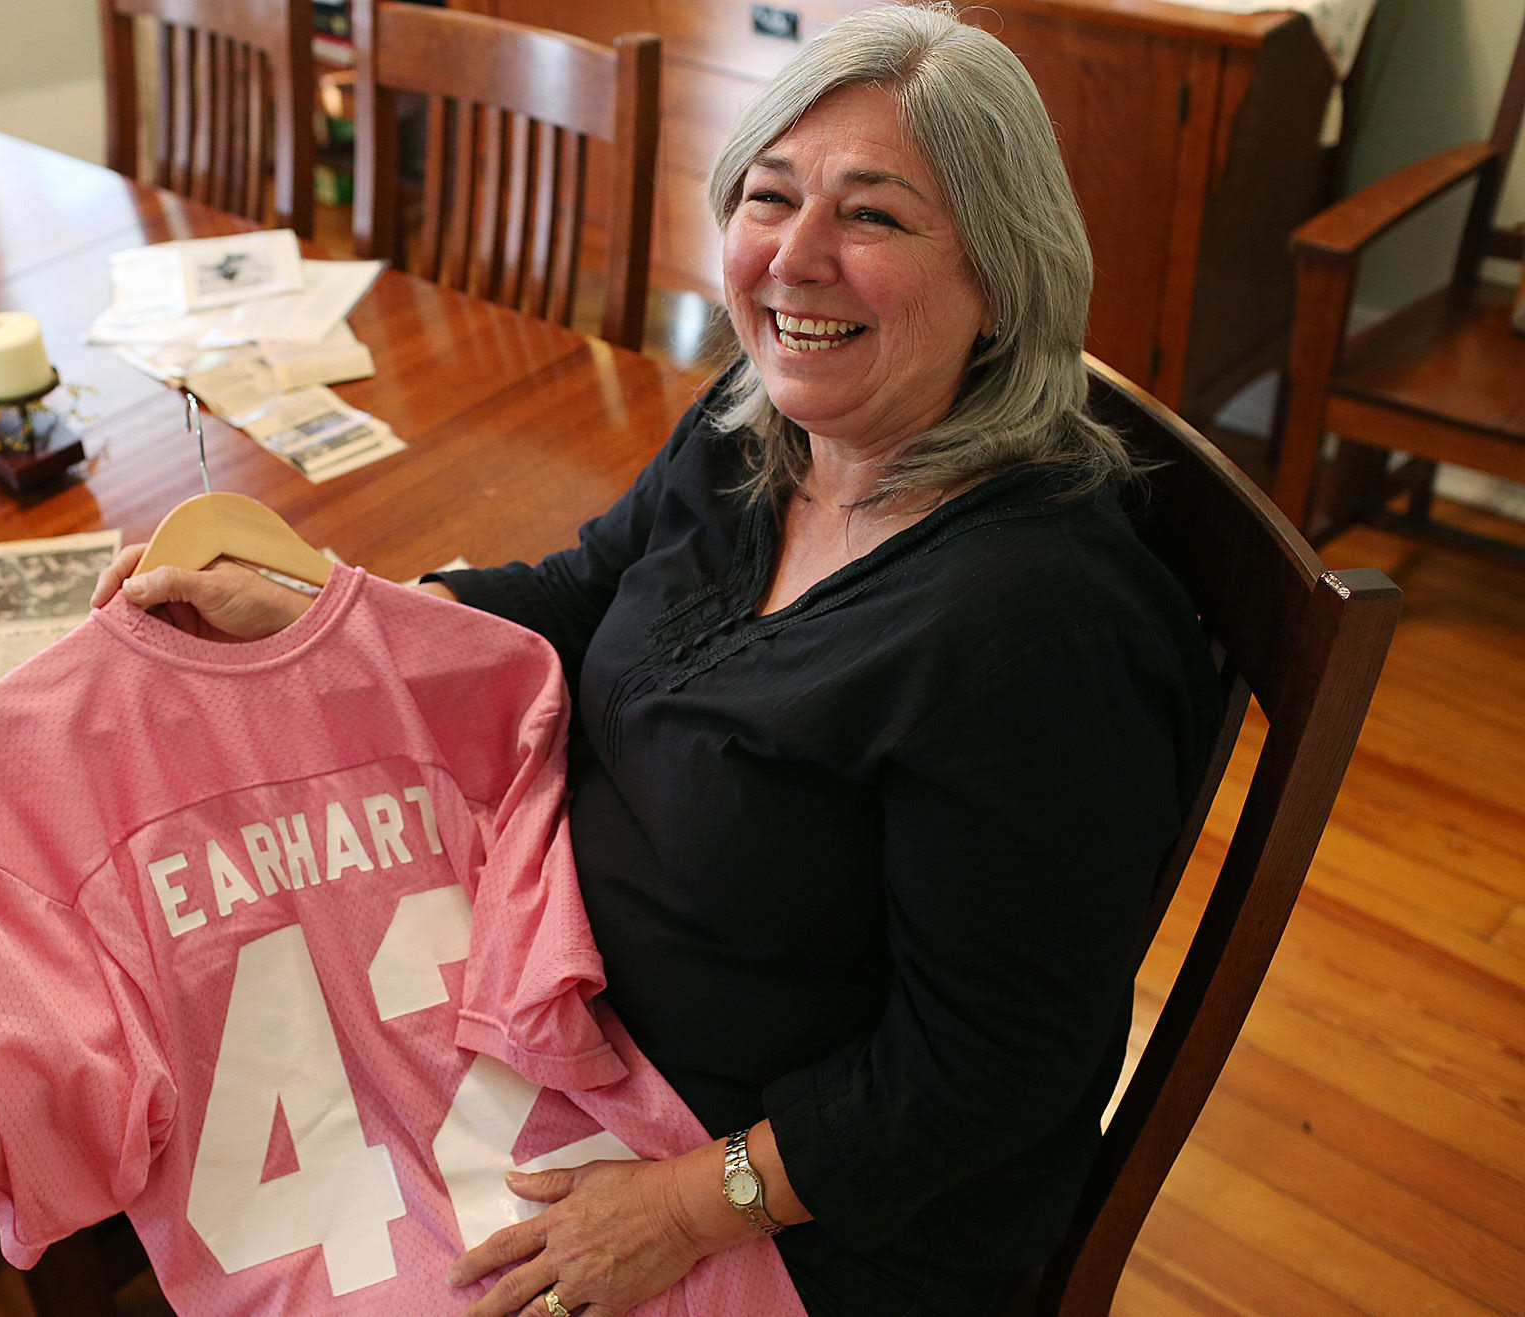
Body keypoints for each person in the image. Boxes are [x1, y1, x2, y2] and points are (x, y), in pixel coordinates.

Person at [91, 5, 1223, 1314]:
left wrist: (685, 1206)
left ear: (1002, 278)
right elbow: (579, 596)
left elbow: (990, 1069)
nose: (794, 256)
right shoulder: (760, 432)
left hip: (809, 1207)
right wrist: (312, 612)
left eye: (873, 215)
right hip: (571, 1034)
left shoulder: (1038, 635)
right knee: (188, 1051)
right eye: (769, 195)